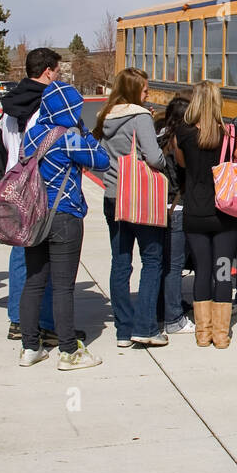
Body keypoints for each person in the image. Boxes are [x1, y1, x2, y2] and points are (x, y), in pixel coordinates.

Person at [17, 81, 110, 370]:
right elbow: (102, 161)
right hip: (64, 215)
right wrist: (84, 133)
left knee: (33, 282)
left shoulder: (33, 134)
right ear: (69, 108)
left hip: (34, 215)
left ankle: (30, 347)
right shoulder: (69, 138)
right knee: (62, 287)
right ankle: (68, 351)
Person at [94, 68, 169, 348]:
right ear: (135, 90)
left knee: (121, 261)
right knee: (152, 259)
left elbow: (101, 156)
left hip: (113, 195)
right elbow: (153, 157)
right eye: (145, 88)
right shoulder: (140, 117)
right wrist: (161, 155)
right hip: (138, 194)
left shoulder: (106, 115)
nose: (148, 93)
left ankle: (123, 330)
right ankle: (146, 326)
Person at [172, 79, 237, 349]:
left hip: (195, 213)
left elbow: (182, 164)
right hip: (225, 215)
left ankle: (202, 333)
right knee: (223, 271)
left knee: (202, 270)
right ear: (217, 102)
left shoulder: (183, 133)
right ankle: (221, 334)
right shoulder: (230, 133)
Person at [0, 48, 60, 344]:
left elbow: (5, 142)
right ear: (48, 71)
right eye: (57, 71)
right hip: (38, 186)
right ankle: (43, 323)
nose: (58, 76)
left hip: (12, 184)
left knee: (20, 252)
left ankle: (17, 319)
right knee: (44, 256)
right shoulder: (46, 105)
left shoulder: (10, 107)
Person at [157, 94, 194, 335]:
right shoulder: (178, 142)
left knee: (163, 262)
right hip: (177, 206)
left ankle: (165, 306)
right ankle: (173, 317)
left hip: (163, 206)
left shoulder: (160, 136)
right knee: (174, 265)